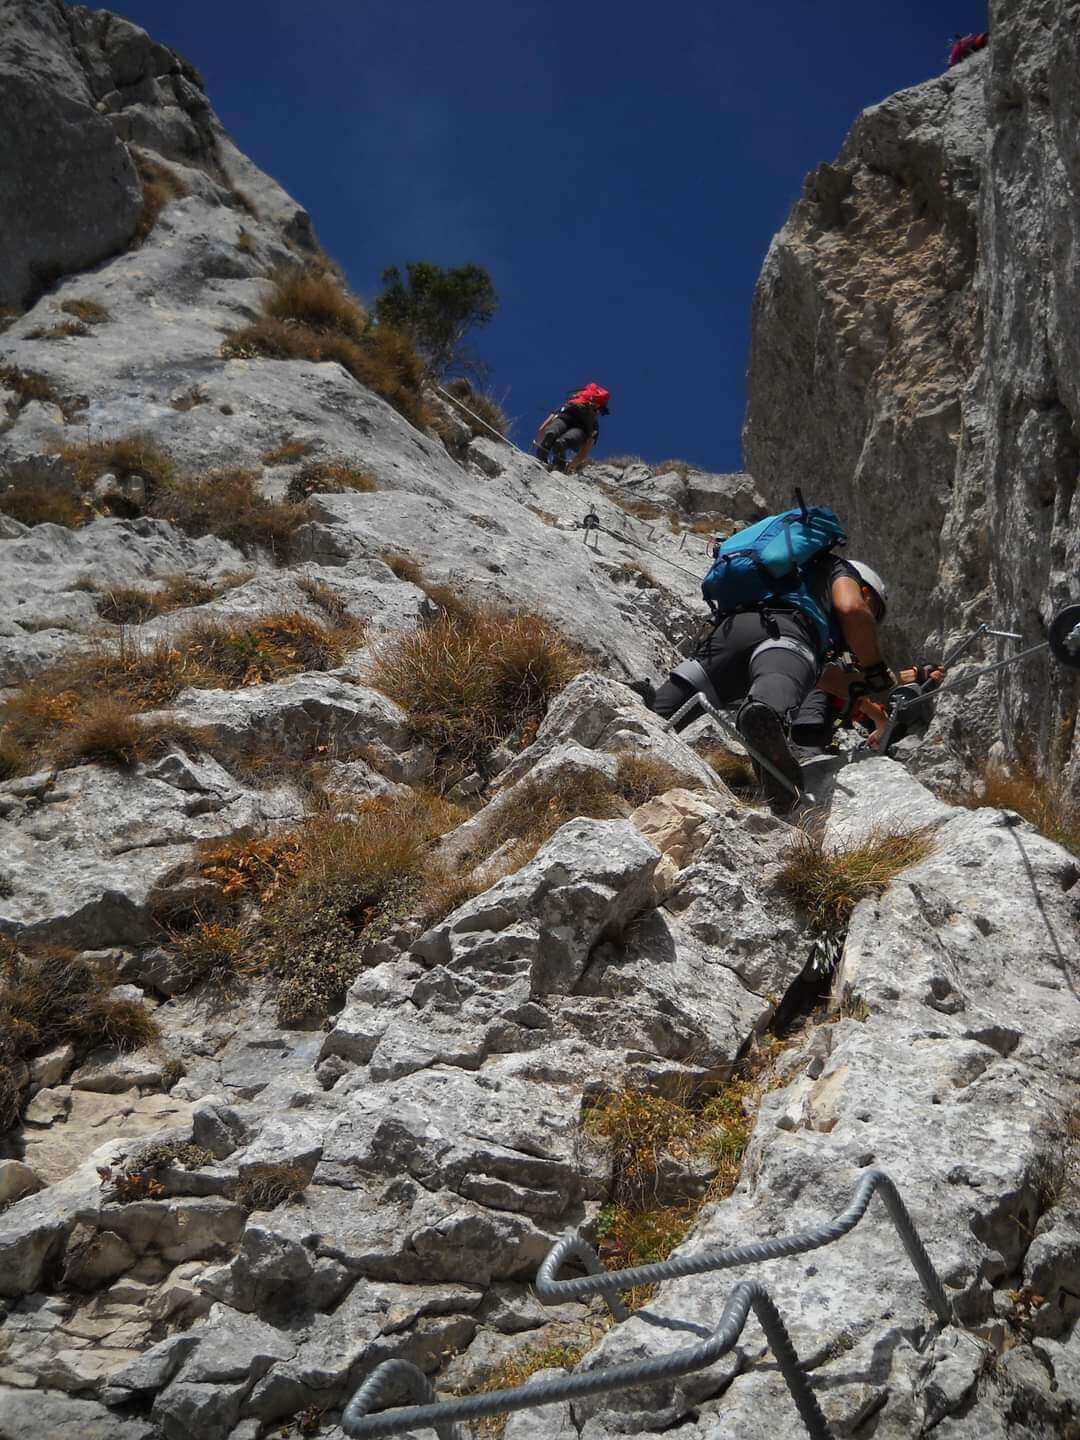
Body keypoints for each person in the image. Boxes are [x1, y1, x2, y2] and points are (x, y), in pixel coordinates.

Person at [638, 557, 897, 803]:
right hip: (787, 637)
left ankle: (640, 707)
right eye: (874, 611)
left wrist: (872, 703)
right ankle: (763, 718)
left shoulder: (792, 580)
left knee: (652, 720)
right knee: (771, 691)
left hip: (728, 637)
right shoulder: (840, 573)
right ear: (865, 591)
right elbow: (852, 609)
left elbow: (824, 679)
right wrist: (876, 669)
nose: (871, 620)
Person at [535, 383, 610, 473]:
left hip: (564, 418)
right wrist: (571, 467)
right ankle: (559, 468)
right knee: (561, 443)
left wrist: (539, 444)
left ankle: (541, 459)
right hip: (581, 430)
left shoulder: (567, 406)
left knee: (551, 433)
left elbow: (544, 427)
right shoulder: (594, 425)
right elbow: (584, 452)